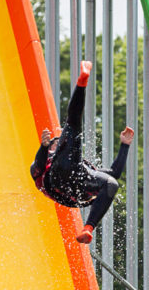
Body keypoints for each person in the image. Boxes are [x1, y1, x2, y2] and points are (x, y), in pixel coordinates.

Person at [30, 60, 134, 245]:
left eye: (58, 141)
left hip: (78, 186)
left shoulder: (78, 161)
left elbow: (115, 173)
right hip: (58, 178)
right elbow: (37, 167)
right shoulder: (48, 161)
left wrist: (124, 145)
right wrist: (44, 147)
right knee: (73, 122)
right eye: (56, 142)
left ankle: (88, 228)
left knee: (111, 184)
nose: (60, 141)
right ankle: (82, 82)